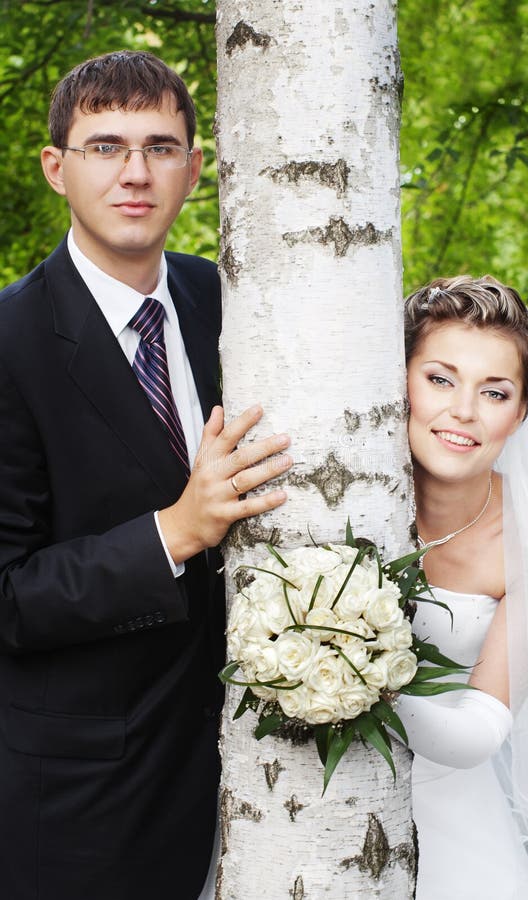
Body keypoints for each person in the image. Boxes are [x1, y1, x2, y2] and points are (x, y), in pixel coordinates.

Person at [0, 51, 292, 900]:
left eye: (161, 146)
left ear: (195, 170)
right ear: (57, 167)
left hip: (262, 781)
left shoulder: (233, 299)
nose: (135, 172)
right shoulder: (11, 345)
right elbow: (9, 594)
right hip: (85, 804)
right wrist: (176, 531)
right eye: (105, 146)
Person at [394, 275, 528, 899]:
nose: (463, 410)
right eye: (439, 379)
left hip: (453, 825)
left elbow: (480, 731)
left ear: (520, 413)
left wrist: (352, 674)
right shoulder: (330, 495)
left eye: (494, 392)